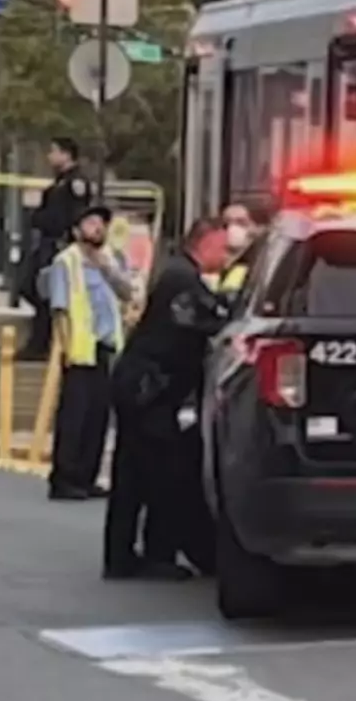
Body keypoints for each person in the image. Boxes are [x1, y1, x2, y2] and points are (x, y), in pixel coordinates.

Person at [103, 216, 233, 580]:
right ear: (204, 242)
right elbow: (202, 320)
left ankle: (121, 556)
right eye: (222, 247)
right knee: (161, 474)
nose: (225, 256)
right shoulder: (181, 279)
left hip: (143, 386)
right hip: (149, 389)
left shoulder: (178, 274)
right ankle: (157, 555)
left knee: (131, 475)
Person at [45, 205, 132, 503]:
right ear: (76, 230)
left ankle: (87, 476)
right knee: (74, 416)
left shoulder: (111, 259)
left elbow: (128, 292)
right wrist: (65, 348)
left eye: (102, 223)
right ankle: (64, 478)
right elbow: (59, 309)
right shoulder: (65, 262)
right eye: (92, 222)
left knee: (98, 415)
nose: (98, 228)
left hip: (107, 346)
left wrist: (107, 269)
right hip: (80, 349)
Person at [17, 138, 93, 361]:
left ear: (67, 154)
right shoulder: (61, 182)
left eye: (53, 152)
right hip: (48, 243)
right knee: (31, 287)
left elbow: (72, 216)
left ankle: (43, 343)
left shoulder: (75, 183)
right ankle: (44, 339)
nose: (49, 157)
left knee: (45, 293)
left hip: (59, 245)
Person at [216, 201, 261, 296]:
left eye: (241, 222)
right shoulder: (212, 263)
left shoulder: (259, 263)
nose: (232, 228)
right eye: (226, 223)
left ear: (255, 228)